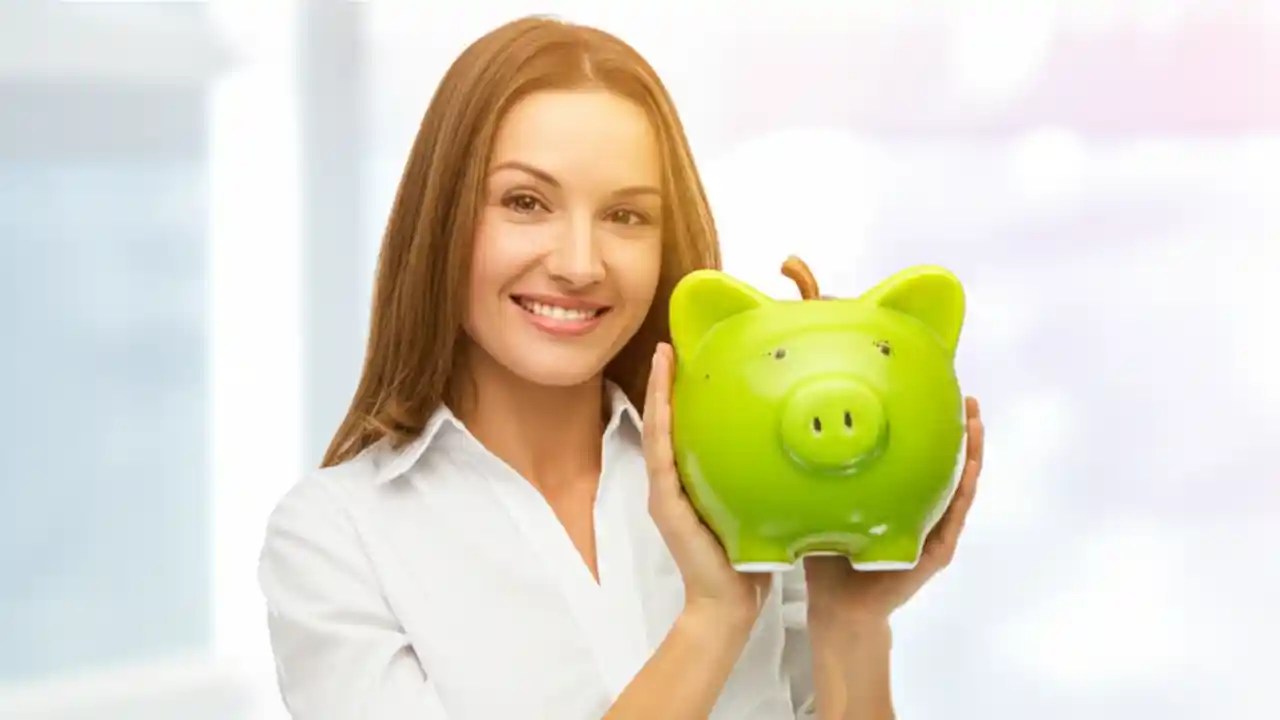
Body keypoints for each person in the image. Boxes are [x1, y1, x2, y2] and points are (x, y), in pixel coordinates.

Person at [257, 14, 985, 720]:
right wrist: (713, 618)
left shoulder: (748, 490)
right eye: (526, 202)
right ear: (443, 216)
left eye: (626, 216)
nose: (580, 264)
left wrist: (852, 622)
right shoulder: (336, 539)